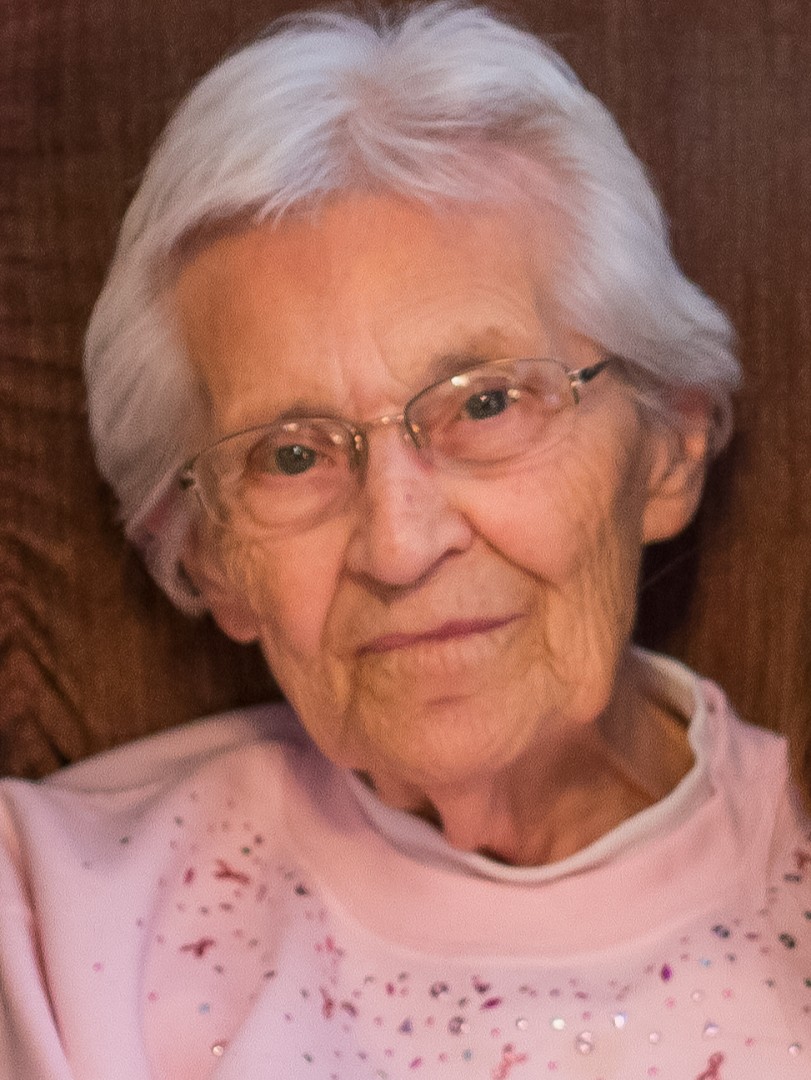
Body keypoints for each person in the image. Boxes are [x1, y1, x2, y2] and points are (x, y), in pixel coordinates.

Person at [0, 4, 808, 1078]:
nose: (399, 545)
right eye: (292, 455)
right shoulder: (48, 924)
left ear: (668, 446)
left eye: (486, 403)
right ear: (208, 559)